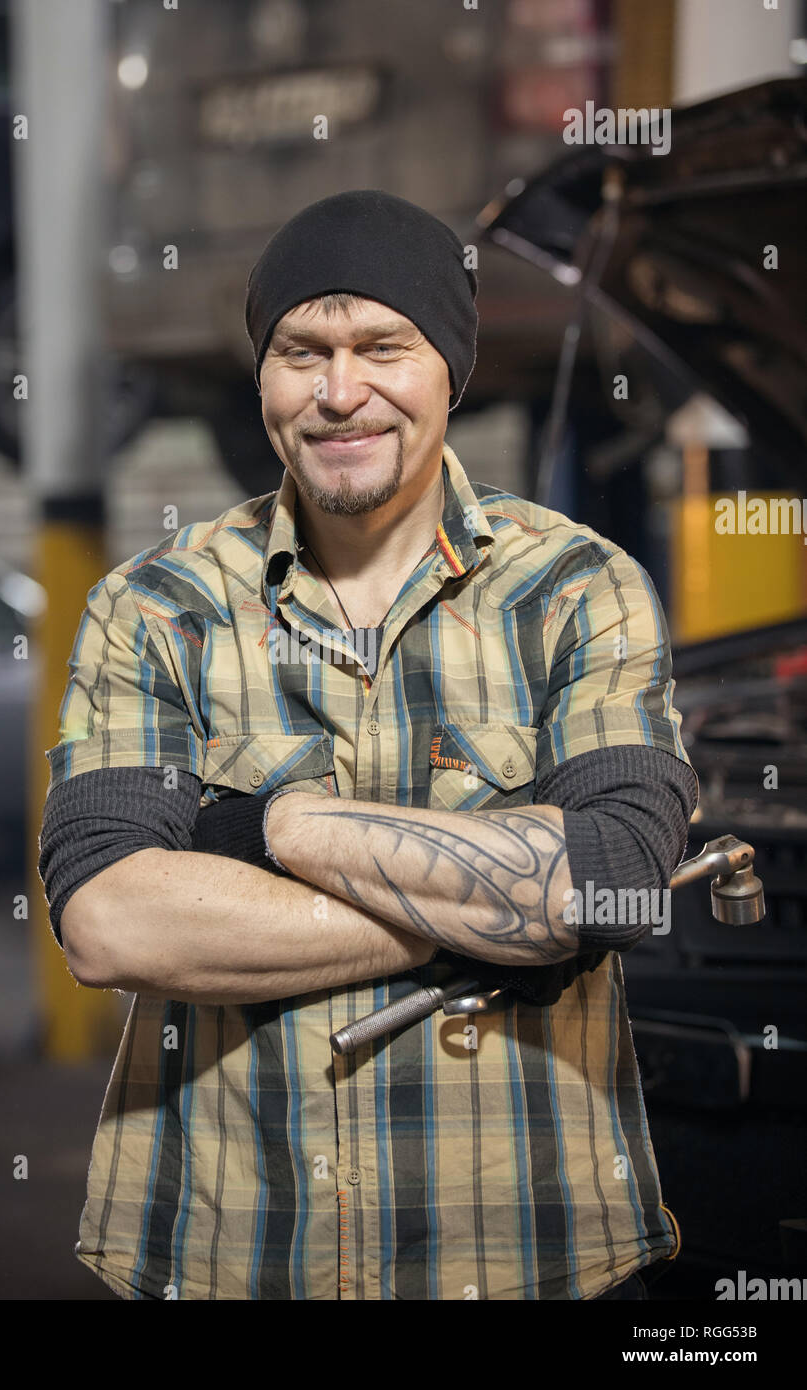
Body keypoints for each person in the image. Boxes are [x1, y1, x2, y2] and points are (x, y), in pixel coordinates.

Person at [39, 189, 699, 1301]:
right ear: (262, 377)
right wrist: (497, 912)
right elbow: (106, 921)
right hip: (230, 1251)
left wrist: (267, 825)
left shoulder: (578, 590)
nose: (340, 391)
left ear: (448, 365)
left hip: (524, 1253)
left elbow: (615, 883)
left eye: (382, 345)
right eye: (302, 350)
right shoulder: (154, 608)